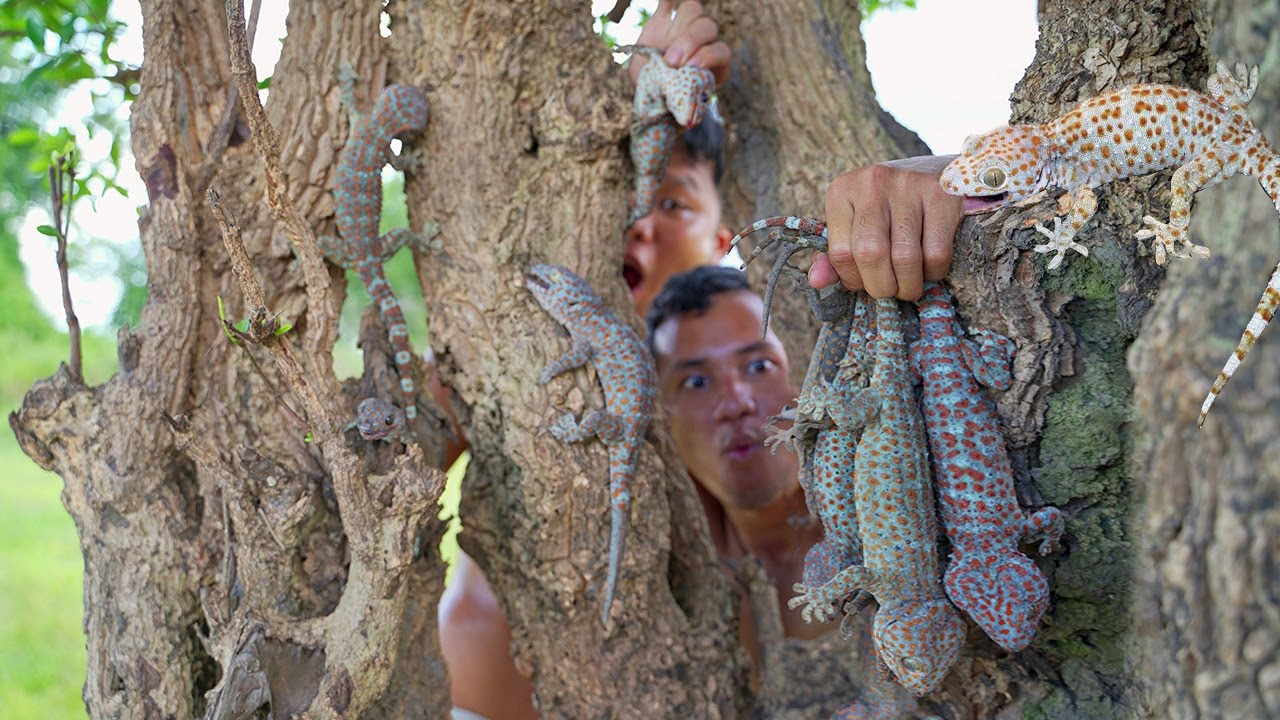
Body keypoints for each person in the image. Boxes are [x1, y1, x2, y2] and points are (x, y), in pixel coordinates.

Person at [436, 2, 966, 717]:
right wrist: (607, 117)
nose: (634, 227)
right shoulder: (604, 432)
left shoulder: (833, 362)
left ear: (725, 239)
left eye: (670, 204)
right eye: (616, 199)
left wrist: (935, 184)